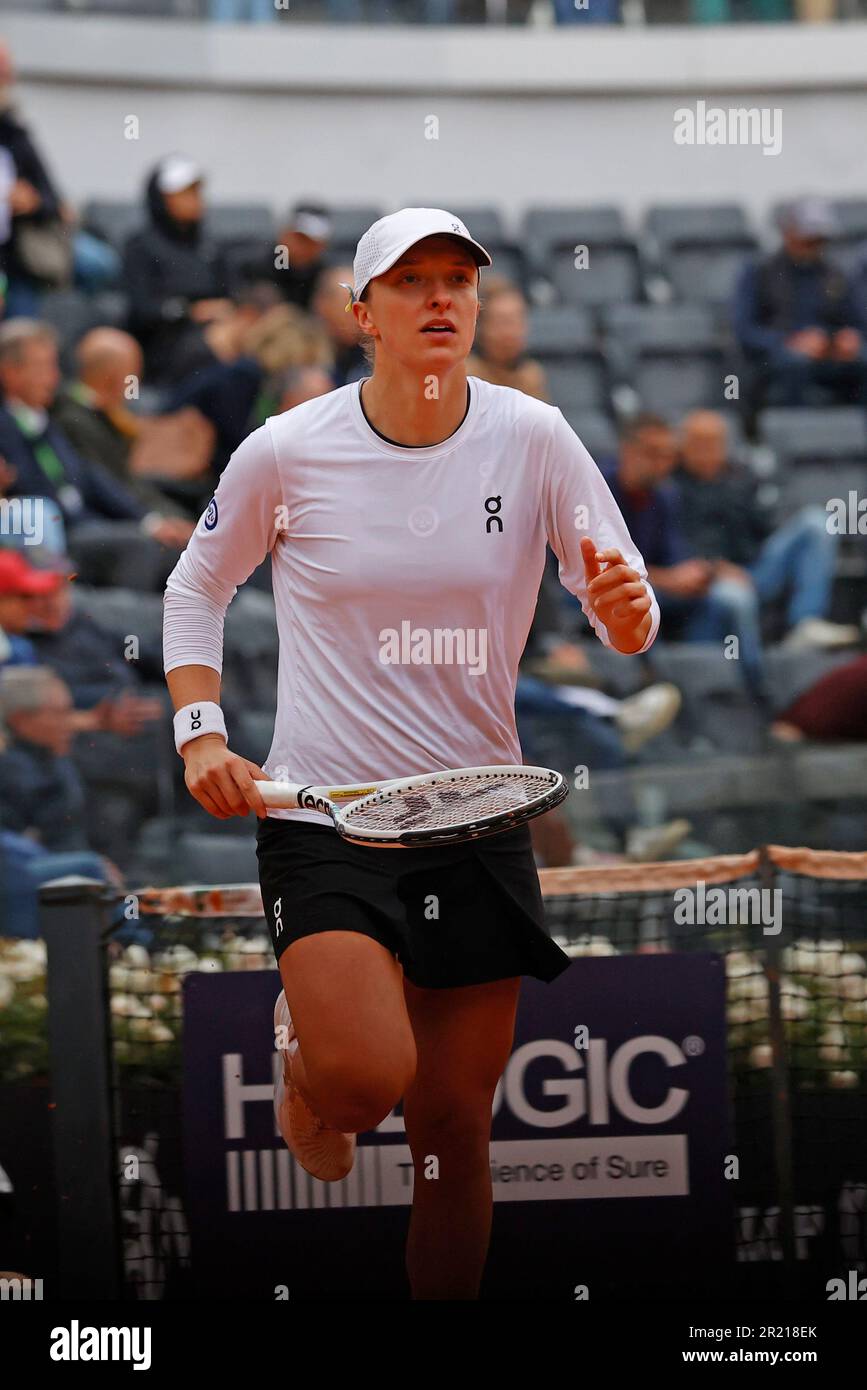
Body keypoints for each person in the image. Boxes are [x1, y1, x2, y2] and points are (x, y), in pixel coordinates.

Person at [162, 207, 660, 1300]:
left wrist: (631, 612)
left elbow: (624, 605)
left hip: (478, 818)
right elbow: (196, 586)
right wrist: (201, 731)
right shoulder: (287, 449)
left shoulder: (535, 435)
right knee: (361, 1083)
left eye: (458, 281)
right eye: (411, 282)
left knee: (451, 1133)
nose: (441, 298)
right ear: (361, 315)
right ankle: (304, 1078)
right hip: (324, 821)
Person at [673, 410, 858, 691]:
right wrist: (717, 569)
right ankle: (757, 685)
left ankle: (805, 623)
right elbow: (673, 545)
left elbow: (766, 526)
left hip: (756, 569)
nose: (707, 451)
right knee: (738, 598)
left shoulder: (741, 476)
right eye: (698, 443)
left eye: (714, 443)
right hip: (710, 579)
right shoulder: (671, 486)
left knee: (816, 523)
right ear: (683, 445)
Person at [50, 327, 195, 538]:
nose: (136, 382)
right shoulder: (74, 421)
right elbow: (109, 487)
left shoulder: (106, 415)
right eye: (133, 374)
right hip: (121, 523)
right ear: (114, 376)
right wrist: (160, 519)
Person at [732, 196, 867, 409]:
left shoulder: (836, 274)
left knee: (862, 360)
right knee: (795, 364)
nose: (814, 247)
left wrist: (848, 338)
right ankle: (798, 435)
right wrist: (790, 341)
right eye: (808, 240)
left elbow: (857, 322)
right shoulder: (759, 273)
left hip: (827, 356)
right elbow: (744, 331)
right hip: (776, 360)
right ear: (788, 233)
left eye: (820, 240)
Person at [123, 155, 231, 386]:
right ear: (163, 198)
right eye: (185, 193)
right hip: (165, 345)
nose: (195, 200)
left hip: (216, 334)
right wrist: (189, 311)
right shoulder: (140, 246)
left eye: (197, 192)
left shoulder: (210, 245)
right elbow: (142, 309)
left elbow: (231, 292)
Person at [465, 280, 549, 401]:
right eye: (502, 322)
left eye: (516, 322)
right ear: (481, 328)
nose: (510, 333)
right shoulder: (465, 375)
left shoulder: (532, 376)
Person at [312, 264, 369, 387]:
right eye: (349, 306)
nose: (358, 316)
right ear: (323, 305)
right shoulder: (299, 353)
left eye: (362, 305)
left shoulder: (372, 355)